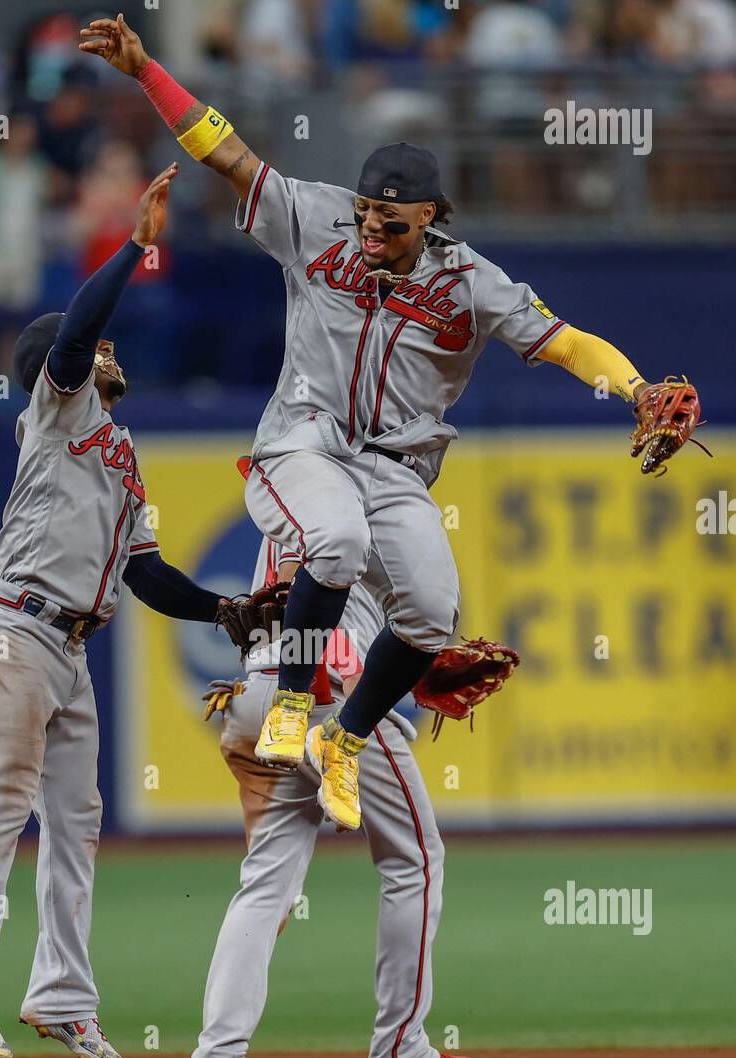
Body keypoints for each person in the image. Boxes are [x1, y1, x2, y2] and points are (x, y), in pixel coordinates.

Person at [79, 13, 689, 837]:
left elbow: (569, 342)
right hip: (304, 439)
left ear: (430, 218)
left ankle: (347, 736)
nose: (370, 227)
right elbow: (224, 151)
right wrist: (147, 71)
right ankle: (292, 699)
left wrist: (637, 387)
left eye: (390, 220)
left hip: (399, 466)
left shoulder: (472, 281)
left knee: (433, 613)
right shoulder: (315, 217)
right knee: (333, 542)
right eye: (365, 211)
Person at [0, 165, 239, 1058]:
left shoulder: (122, 452)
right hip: (13, 630)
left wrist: (226, 609)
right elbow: (78, 336)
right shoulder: (58, 409)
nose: (108, 352)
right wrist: (135, 246)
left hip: (70, 649)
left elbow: (147, 575)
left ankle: (60, 996)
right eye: (95, 346)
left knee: (77, 821)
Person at [192, 483, 479, 1058]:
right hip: (331, 704)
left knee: (267, 882)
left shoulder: (295, 484)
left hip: (255, 700)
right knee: (415, 861)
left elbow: (324, 601)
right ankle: (400, 1053)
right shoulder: (374, 493)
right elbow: (399, 616)